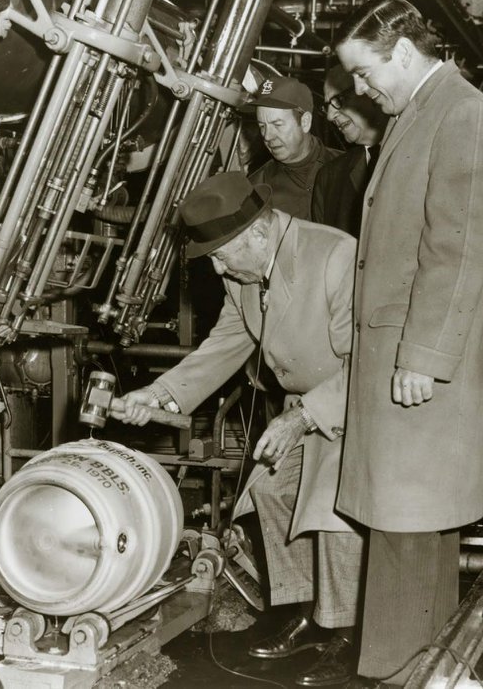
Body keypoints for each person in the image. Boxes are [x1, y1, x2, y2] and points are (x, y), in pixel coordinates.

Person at [112, 171, 363, 687]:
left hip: (350, 406)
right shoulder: (241, 271)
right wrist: (158, 395)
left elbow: (367, 361)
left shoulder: (335, 257)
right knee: (272, 490)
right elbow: (227, 343)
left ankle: (348, 637)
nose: (219, 268)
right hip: (302, 406)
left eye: (223, 255)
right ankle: (301, 613)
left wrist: (305, 417)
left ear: (258, 233)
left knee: (331, 509)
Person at [333, 0, 483, 685]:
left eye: (364, 73)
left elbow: (455, 248)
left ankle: (398, 676)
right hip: (403, 353)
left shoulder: (460, 113)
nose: (358, 89)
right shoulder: (425, 112)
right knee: (415, 530)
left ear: (403, 53)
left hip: (417, 362)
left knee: (406, 528)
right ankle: (426, 672)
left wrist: (424, 358)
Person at [248, 76, 340, 220]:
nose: (267, 136)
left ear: (305, 122)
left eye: (277, 125)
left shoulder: (349, 169)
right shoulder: (256, 188)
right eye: (262, 126)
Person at [311, 63, 388, 235]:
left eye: (338, 100)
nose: (330, 116)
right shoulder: (329, 178)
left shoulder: (418, 160)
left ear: (369, 92)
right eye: (327, 107)